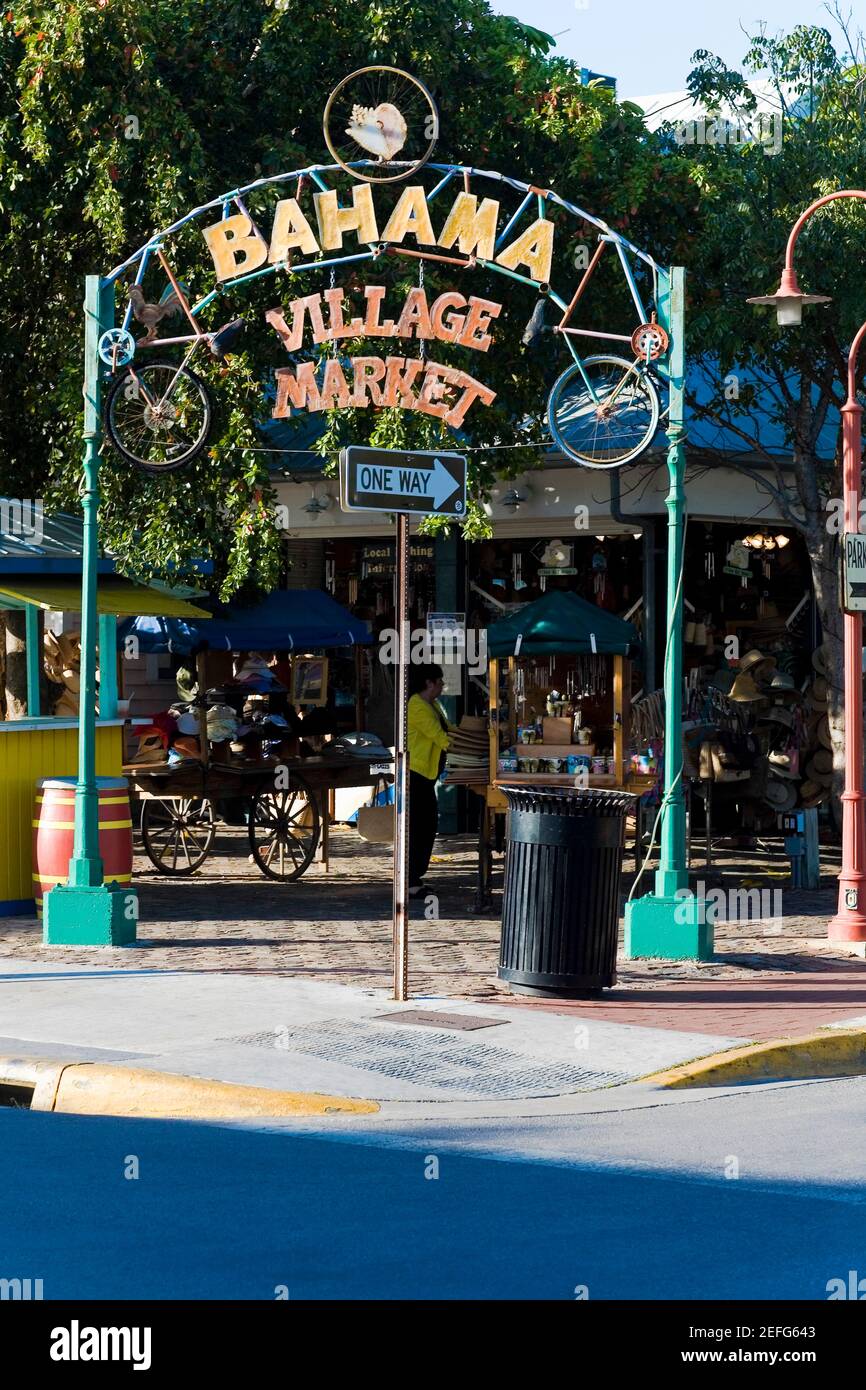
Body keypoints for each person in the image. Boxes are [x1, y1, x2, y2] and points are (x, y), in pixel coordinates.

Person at [407, 662, 452, 896]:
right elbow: (439, 736)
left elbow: (449, 730)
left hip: (427, 775)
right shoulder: (417, 705)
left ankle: (415, 877)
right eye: (440, 681)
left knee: (427, 825)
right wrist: (463, 747)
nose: (442, 685)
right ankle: (411, 880)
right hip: (416, 774)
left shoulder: (432, 704)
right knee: (419, 827)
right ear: (429, 683)